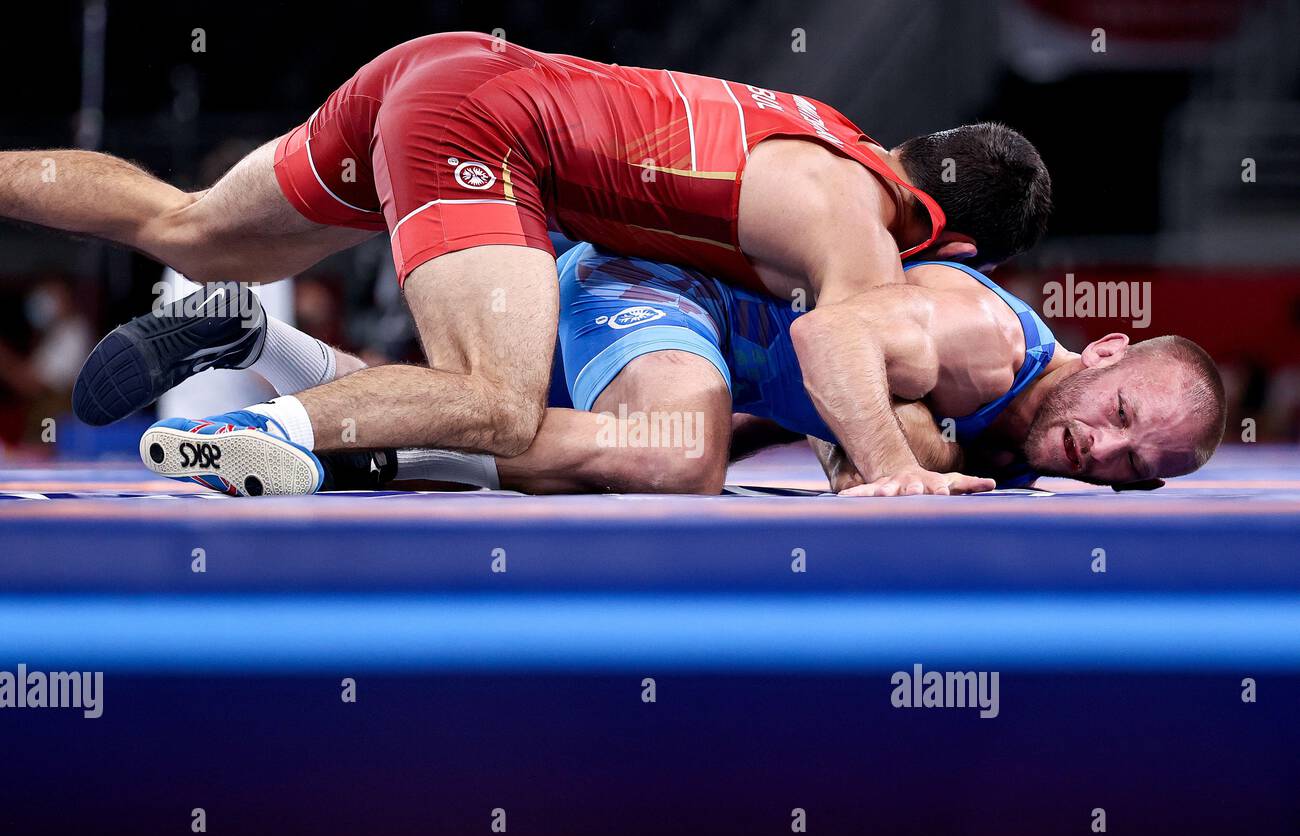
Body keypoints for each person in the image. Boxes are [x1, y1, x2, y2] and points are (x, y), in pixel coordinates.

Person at [1, 32, 1050, 494]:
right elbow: (838, 344)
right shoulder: (861, 225)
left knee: (187, 225)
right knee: (496, 404)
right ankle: (259, 429)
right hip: (484, 130)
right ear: (952, 245)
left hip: (437, 68)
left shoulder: (825, 129)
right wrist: (895, 469)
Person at [79, 241, 1225, 496]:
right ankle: (297, 433)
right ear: (1105, 349)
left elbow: (829, 417)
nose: (1104, 448)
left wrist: (870, 449)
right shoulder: (984, 338)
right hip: (671, 293)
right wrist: (889, 461)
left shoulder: (1022, 423)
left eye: (1137, 464)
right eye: (1118, 412)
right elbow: (827, 347)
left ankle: (259, 344)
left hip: (703, 331)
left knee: (533, 437)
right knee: (665, 458)